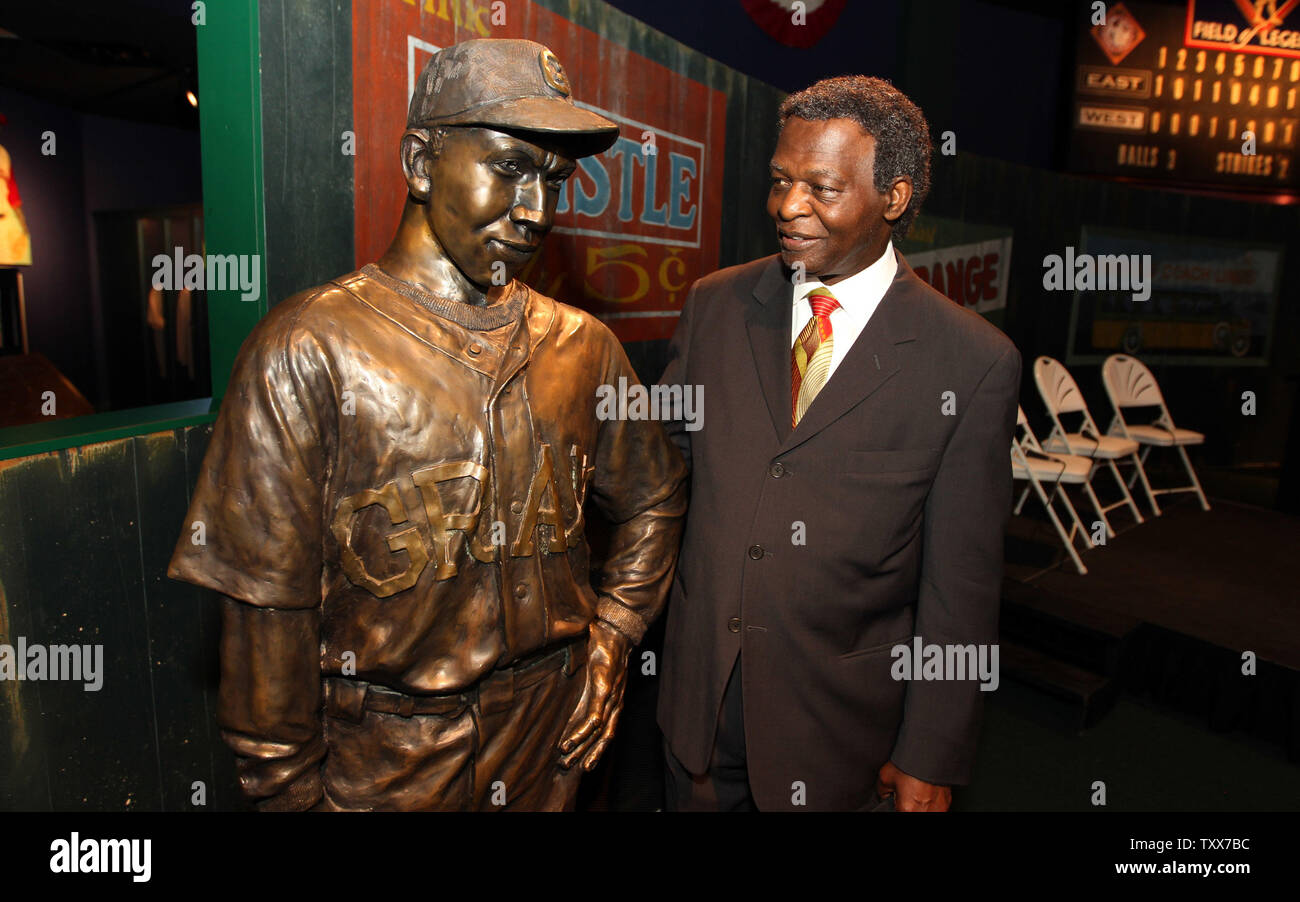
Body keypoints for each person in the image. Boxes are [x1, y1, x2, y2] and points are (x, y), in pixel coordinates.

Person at [167, 38, 687, 811]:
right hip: (386, 759)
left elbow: (654, 497)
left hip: (553, 736)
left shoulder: (585, 347)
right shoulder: (309, 349)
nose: (538, 210)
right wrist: (287, 796)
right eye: (509, 168)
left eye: (554, 179)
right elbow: (265, 622)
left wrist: (611, 634)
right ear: (419, 162)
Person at [656, 75, 1022, 812]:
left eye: (821, 187)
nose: (787, 208)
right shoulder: (715, 306)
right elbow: (662, 478)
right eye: (781, 181)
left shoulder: (971, 361)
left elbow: (962, 587)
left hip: (837, 740)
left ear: (893, 197)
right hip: (698, 718)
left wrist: (931, 754)